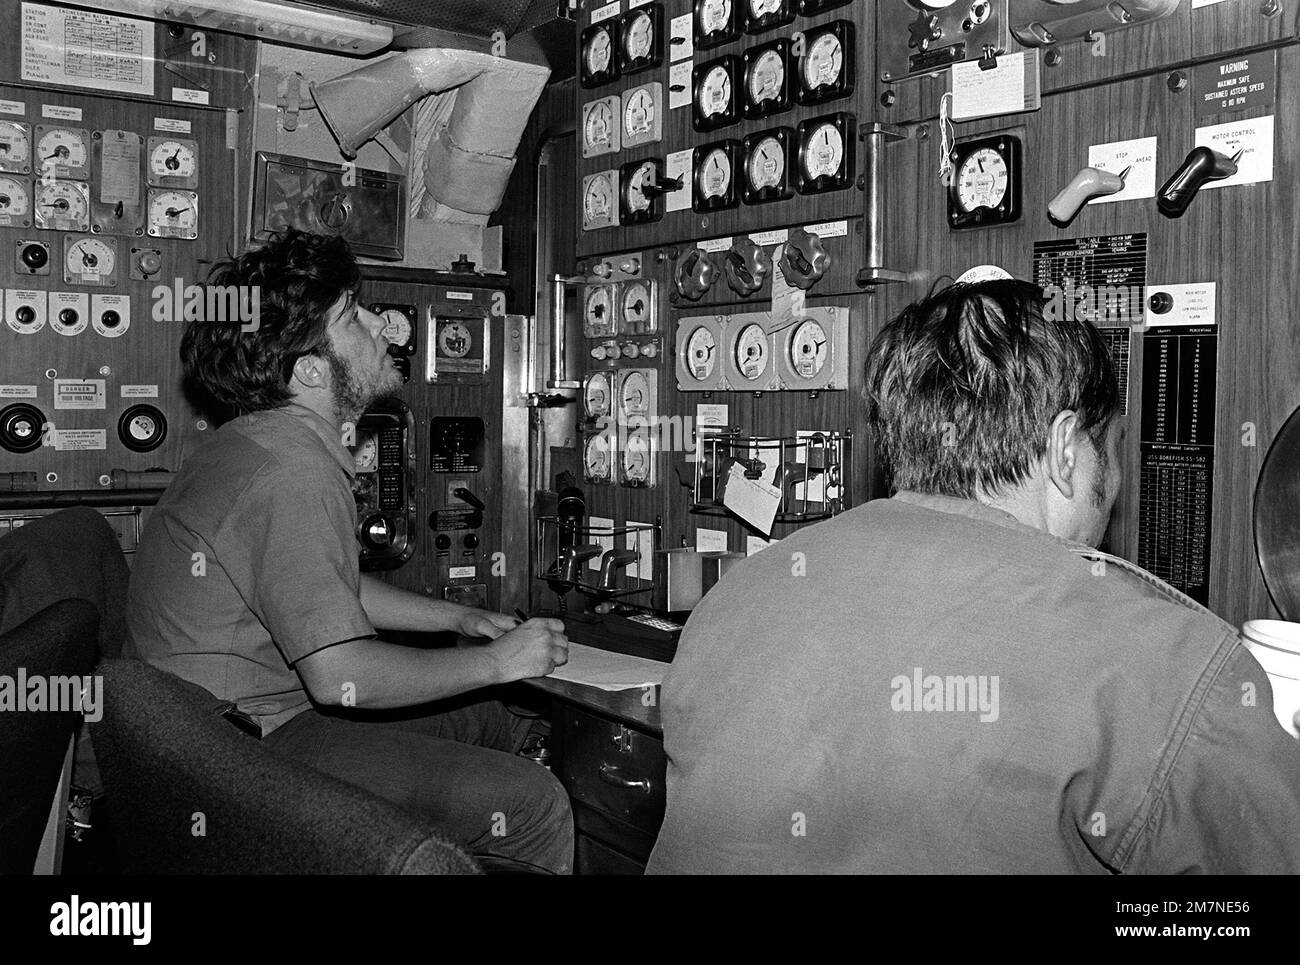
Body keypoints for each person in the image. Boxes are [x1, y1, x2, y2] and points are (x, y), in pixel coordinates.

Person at [647, 278, 1300, 874]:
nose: (1116, 481)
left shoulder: (736, 597)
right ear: (1068, 449)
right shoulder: (1169, 663)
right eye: (1114, 446)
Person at [125, 229, 573, 873]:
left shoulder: (248, 444)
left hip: (207, 741)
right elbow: (342, 679)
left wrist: (456, 620)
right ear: (310, 368)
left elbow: (317, 590)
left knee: (488, 719)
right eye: (353, 316)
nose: (380, 324)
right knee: (531, 803)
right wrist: (500, 661)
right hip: (247, 753)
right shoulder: (293, 471)